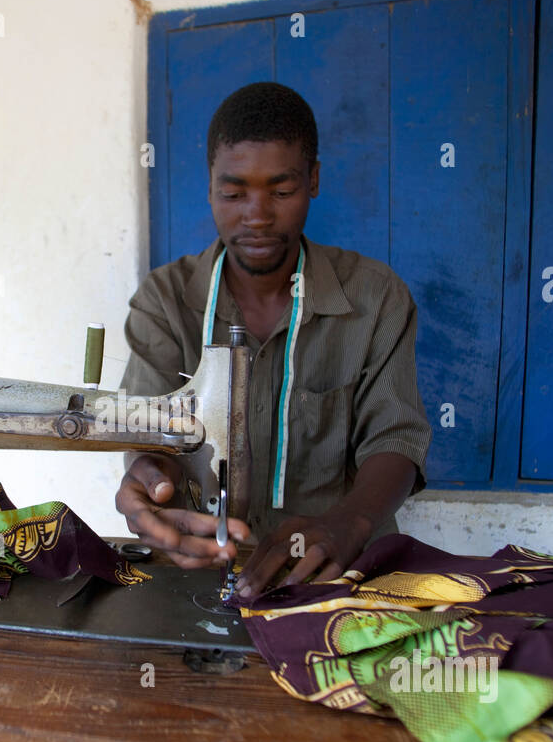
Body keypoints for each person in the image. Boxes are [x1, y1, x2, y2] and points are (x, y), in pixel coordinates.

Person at [115, 83, 431, 599]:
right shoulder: (164, 301)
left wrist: (349, 522)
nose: (256, 216)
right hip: (196, 571)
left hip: (336, 574)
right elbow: (148, 432)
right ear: (210, 186)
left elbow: (396, 439)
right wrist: (153, 483)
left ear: (313, 180)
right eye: (234, 193)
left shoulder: (375, 299)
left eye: (281, 192)